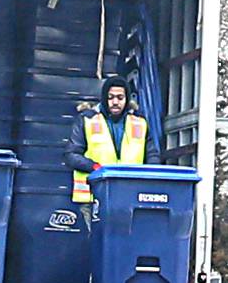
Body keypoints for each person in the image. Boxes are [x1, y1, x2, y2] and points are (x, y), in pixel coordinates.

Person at [64, 76, 160, 204]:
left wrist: (146, 177)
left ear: (127, 99)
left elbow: (153, 155)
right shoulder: (87, 120)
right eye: (111, 97)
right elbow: (71, 155)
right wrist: (95, 167)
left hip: (131, 197)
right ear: (104, 98)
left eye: (120, 98)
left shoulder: (140, 123)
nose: (115, 102)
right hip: (93, 198)